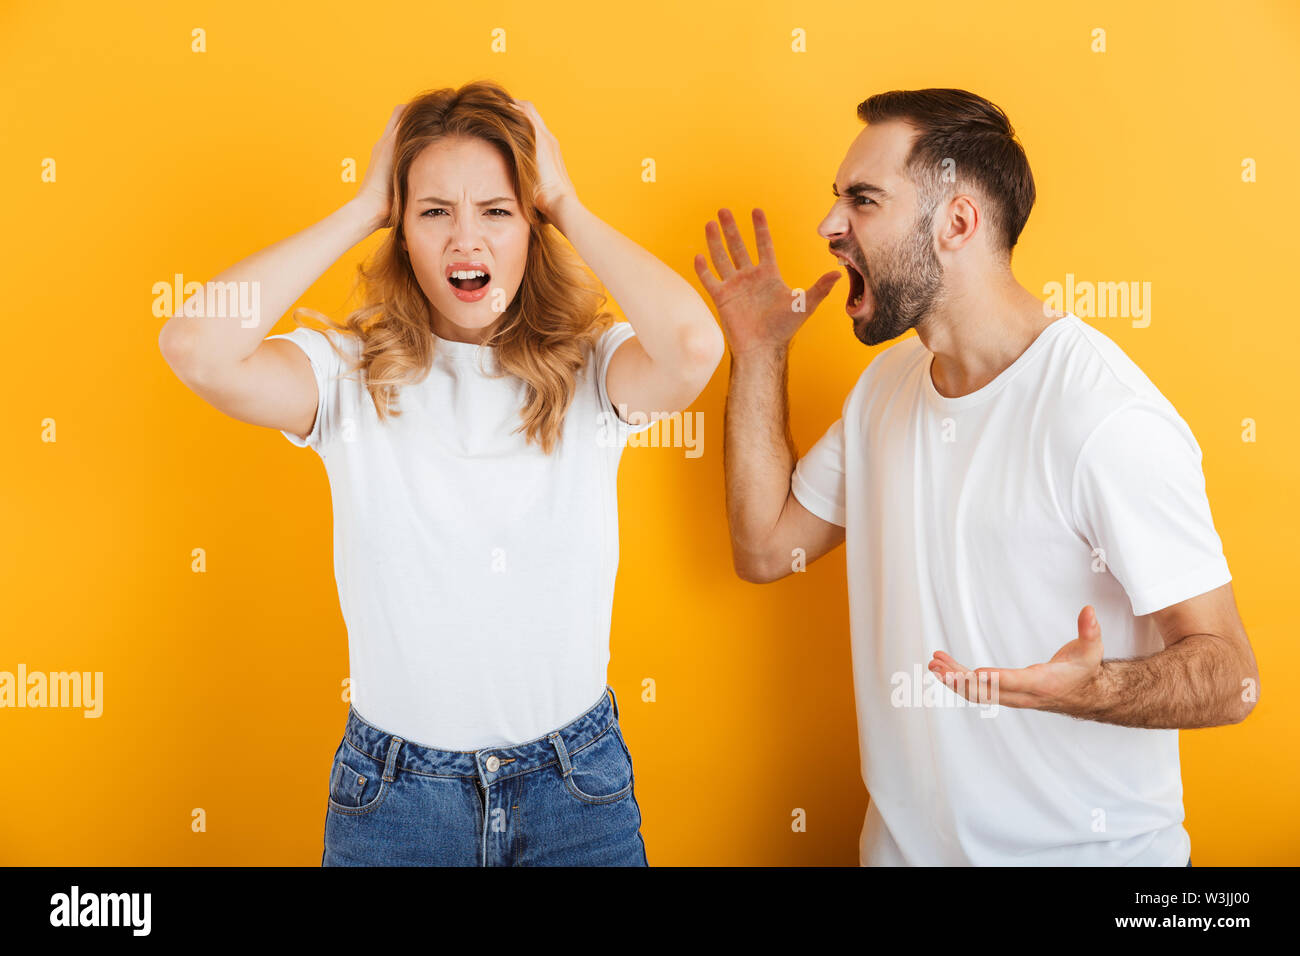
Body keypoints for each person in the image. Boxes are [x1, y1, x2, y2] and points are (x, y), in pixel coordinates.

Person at [158, 80, 723, 866]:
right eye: (433, 212)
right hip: (395, 801)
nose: (468, 241)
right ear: (400, 233)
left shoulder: (594, 368)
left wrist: (565, 198)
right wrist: (362, 206)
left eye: (497, 210)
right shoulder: (347, 375)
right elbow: (194, 347)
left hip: (575, 791)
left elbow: (695, 348)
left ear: (533, 226)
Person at [697, 88, 1259, 866]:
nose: (829, 227)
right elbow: (765, 549)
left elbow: (1231, 679)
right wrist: (760, 351)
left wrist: (1094, 690)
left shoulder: (1103, 416)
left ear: (956, 222)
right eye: (837, 201)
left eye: (862, 200)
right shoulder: (887, 390)